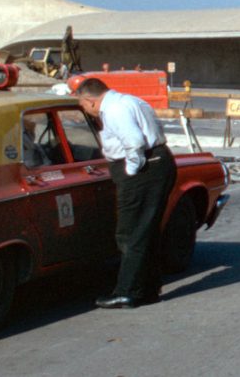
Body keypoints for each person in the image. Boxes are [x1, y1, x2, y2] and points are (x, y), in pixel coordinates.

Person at [75, 77, 176, 309]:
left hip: (143, 168)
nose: (87, 111)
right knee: (145, 229)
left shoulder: (114, 110)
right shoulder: (129, 101)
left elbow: (134, 142)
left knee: (130, 232)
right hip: (157, 161)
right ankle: (147, 288)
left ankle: (127, 292)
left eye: (83, 105)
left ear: (90, 101)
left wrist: (131, 171)